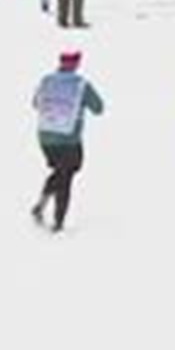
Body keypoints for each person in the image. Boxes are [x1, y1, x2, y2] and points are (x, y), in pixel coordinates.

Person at [31, 50, 104, 233]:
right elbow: (98, 108)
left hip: (45, 138)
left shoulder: (46, 80)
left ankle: (42, 203)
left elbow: (35, 103)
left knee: (61, 171)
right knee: (67, 175)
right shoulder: (81, 84)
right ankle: (58, 222)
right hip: (69, 139)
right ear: (76, 64)